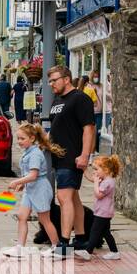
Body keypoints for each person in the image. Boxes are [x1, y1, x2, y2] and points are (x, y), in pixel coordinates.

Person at [45, 64, 97, 259]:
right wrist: (46, 141)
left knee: (63, 198)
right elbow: (57, 128)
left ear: (66, 79)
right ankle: (82, 242)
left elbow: (89, 129)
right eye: (50, 80)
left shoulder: (81, 99)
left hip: (72, 157)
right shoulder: (57, 100)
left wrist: (85, 155)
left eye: (54, 80)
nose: (51, 84)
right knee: (74, 198)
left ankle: (64, 245)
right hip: (59, 157)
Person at [2, 122, 64, 257]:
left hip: (40, 189)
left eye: (22, 138)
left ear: (32, 138)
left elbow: (33, 175)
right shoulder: (29, 152)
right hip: (31, 189)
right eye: (18, 138)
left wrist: (17, 181)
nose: (19, 141)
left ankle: (57, 247)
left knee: (44, 220)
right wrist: (23, 184)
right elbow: (29, 175)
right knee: (21, 216)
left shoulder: (35, 154)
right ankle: (19, 247)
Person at [80, 154, 122, 260]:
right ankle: (114, 252)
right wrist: (84, 169)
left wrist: (95, 183)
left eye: (96, 169)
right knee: (106, 233)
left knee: (95, 231)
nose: (95, 171)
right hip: (104, 212)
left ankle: (88, 251)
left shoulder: (107, 183)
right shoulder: (106, 179)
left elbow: (98, 195)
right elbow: (92, 178)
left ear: (106, 170)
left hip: (103, 213)